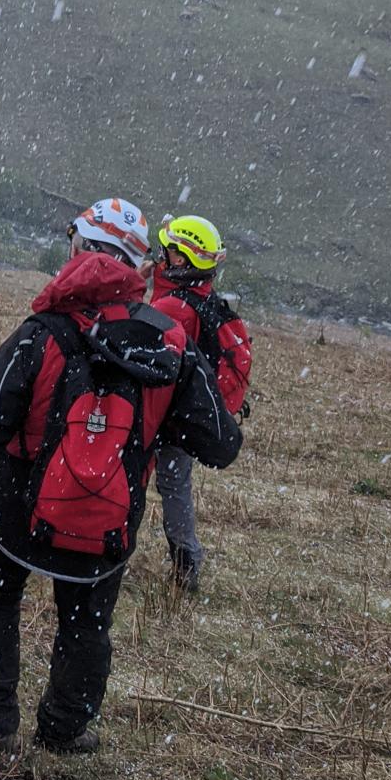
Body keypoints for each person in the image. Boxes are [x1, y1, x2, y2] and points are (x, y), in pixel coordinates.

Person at [0, 197, 242, 754]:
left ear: (78, 248)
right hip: (107, 531)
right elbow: (222, 445)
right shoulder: (169, 345)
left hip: (13, 520)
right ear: (139, 266)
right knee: (86, 627)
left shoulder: (41, 332)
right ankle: (64, 730)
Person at [147, 213, 252, 595]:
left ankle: (112, 549)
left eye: (170, 250)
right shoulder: (201, 299)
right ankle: (186, 560)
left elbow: (138, 334)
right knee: (176, 485)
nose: (164, 254)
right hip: (186, 415)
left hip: (162, 413)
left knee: (132, 479)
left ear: (183, 259)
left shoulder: (175, 307)